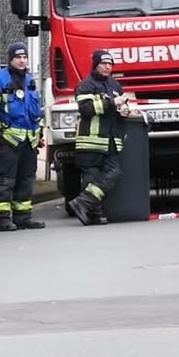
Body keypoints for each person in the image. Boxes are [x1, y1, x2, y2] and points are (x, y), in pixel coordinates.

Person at [0, 42, 46, 231]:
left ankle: (23, 217)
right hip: (8, 141)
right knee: (5, 180)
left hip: (29, 142)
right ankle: (1, 219)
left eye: (25, 57)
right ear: (10, 59)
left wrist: (38, 133)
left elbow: (38, 112)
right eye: (18, 57)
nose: (22, 60)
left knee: (26, 180)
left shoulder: (30, 81)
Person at [67, 50, 133, 226]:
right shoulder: (85, 86)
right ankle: (93, 214)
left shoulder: (115, 86)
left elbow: (120, 109)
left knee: (113, 173)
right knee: (91, 178)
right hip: (90, 141)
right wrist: (112, 103)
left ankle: (83, 201)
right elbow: (86, 109)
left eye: (110, 64)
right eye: (104, 63)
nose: (107, 67)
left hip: (111, 140)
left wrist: (124, 111)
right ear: (95, 64)